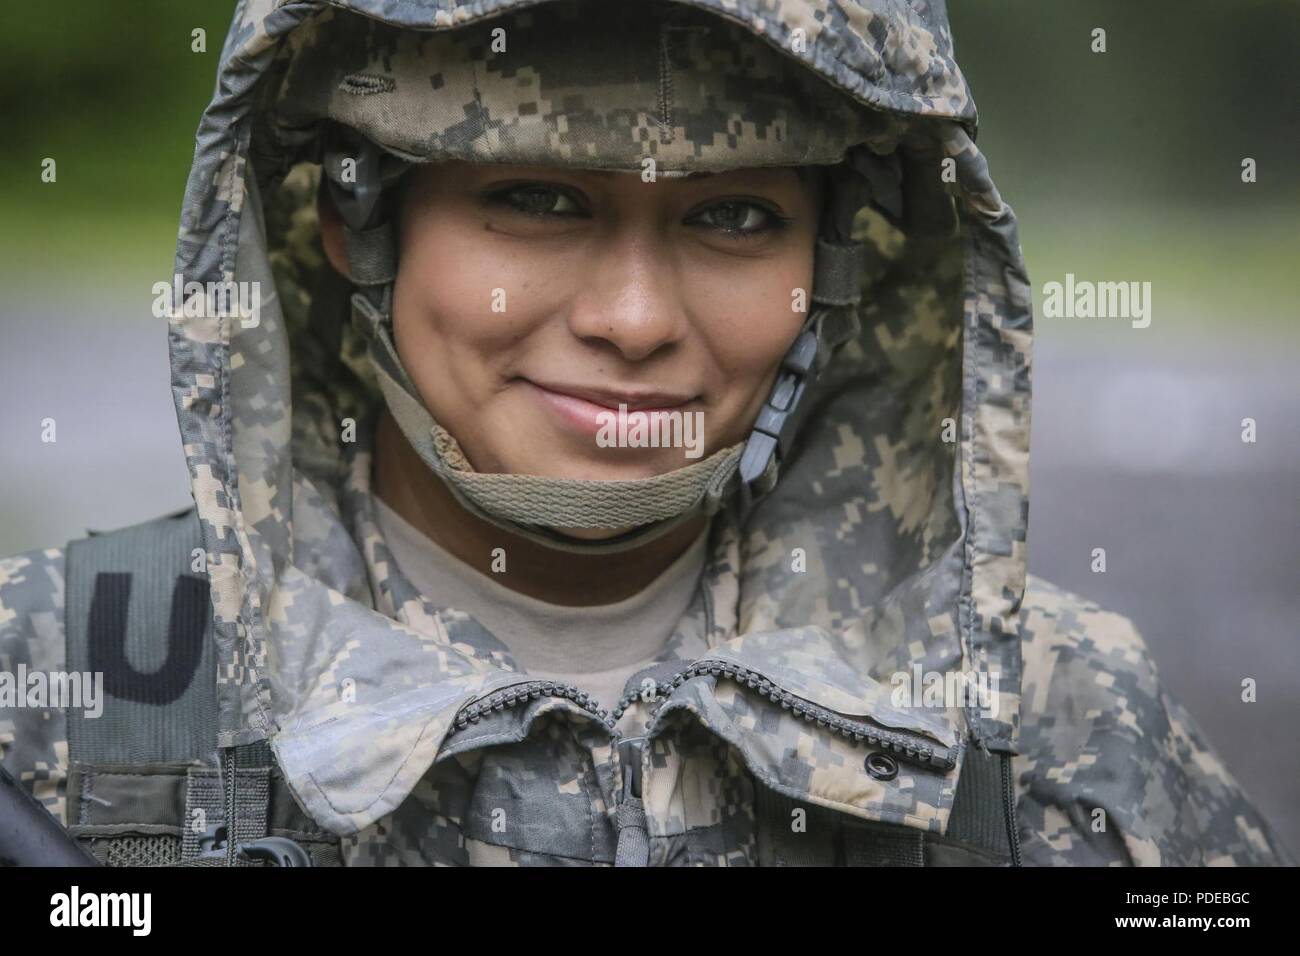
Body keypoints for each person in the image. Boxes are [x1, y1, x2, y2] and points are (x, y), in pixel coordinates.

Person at [0, 0, 1291, 867]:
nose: (633, 319)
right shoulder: (60, 695)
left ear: (838, 263)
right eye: (537, 199)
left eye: (732, 219)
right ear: (356, 224)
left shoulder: (1053, 727)